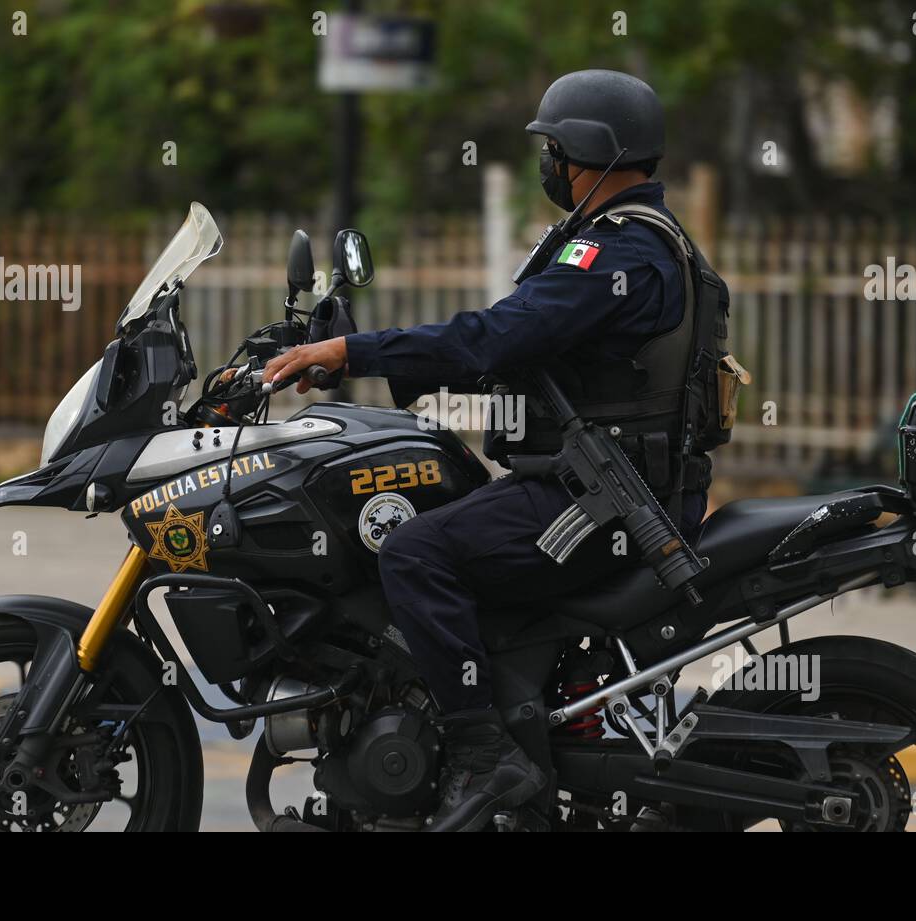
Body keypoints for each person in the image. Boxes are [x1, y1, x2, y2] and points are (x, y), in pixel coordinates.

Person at [263, 69, 716, 831]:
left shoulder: (618, 257)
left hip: (606, 502)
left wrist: (353, 351)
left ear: (591, 155)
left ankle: (482, 753)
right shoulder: (616, 245)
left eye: (554, 148)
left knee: (413, 554)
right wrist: (362, 356)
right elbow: (501, 347)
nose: (548, 164)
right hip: (596, 487)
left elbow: (495, 335)